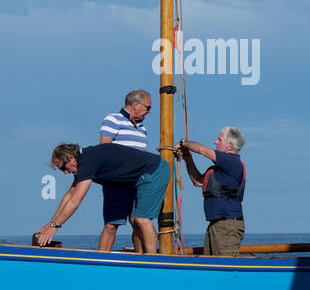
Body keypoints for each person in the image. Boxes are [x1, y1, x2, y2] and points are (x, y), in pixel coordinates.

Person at [37, 142, 169, 253]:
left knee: (141, 219)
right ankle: (132, 260)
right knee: (129, 221)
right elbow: (69, 195)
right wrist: (51, 223)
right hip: (133, 178)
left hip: (154, 170)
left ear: (71, 158)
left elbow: (75, 201)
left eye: (64, 168)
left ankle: (152, 261)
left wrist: (55, 226)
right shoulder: (83, 161)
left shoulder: (87, 161)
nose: (65, 172)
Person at [97, 89, 152, 252]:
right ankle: (101, 260)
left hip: (138, 182)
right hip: (117, 182)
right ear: (135, 105)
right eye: (147, 107)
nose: (149, 111)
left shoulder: (142, 128)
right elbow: (104, 149)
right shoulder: (113, 119)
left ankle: (141, 259)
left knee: (139, 222)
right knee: (112, 224)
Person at [180, 127, 246, 256]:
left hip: (227, 224)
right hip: (217, 224)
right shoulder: (221, 169)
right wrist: (188, 158)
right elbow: (198, 181)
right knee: (212, 264)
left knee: (226, 266)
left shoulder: (231, 161)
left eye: (219, 140)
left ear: (230, 146)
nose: (215, 142)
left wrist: (183, 143)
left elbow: (203, 150)